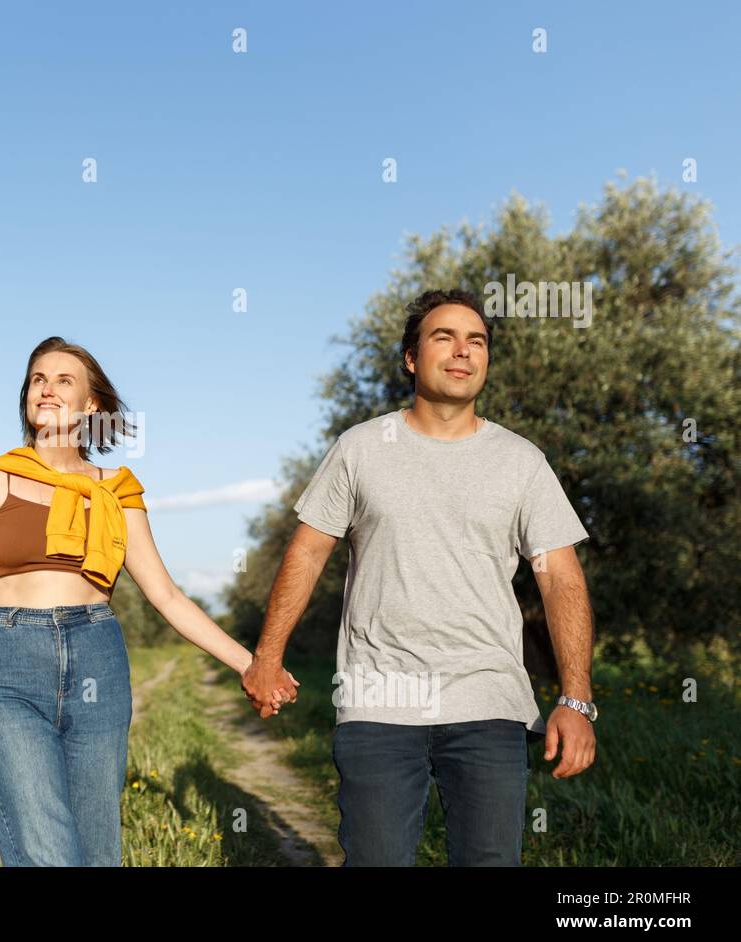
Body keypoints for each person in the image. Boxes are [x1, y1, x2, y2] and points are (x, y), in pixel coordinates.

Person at [242, 288, 597, 866]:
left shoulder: (521, 460)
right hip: (378, 700)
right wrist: (267, 654)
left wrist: (576, 701)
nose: (462, 351)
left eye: (475, 341)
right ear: (411, 358)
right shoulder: (359, 449)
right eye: (444, 337)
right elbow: (307, 554)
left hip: (490, 701)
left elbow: (560, 579)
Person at [0, 335, 298, 866]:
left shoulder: (117, 490)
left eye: (64, 381)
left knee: (96, 845)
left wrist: (253, 665)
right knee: (46, 846)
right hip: (11, 659)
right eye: (38, 379)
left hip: (97, 656)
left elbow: (167, 596)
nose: (46, 389)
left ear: (91, 406)